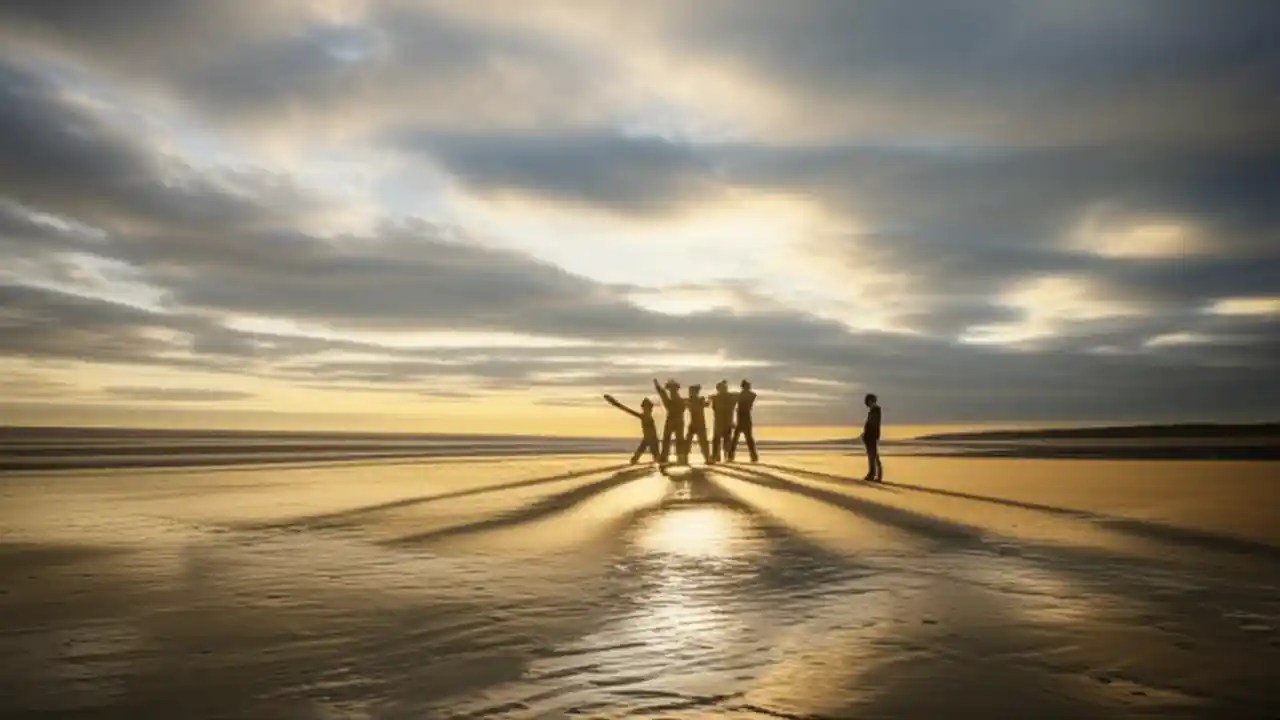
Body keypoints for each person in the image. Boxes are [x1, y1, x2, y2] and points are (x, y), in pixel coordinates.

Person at [603, 394, 661, 465]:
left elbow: (629, 411)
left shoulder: (645, 416)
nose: (647, 410)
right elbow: (629, 410)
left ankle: (637, 460)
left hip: (650, 437)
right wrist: (615, 403)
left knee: (646, 450)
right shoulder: (645, 416)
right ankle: (650, 460)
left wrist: (615, 403)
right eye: (645, 408)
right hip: (650, 437)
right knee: (650, 451)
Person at [653, 378, 687, 464]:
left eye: (672, 388)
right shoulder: (676, 400)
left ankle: (677, 457)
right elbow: (661, 392)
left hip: (675, 420)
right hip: (676, 420)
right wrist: (657, 385)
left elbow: (662, 393)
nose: (672, 390)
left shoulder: (678, 400)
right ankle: (676, 457)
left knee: (673, 439)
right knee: (672, 439)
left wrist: (657, 385)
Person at [729, 379, 758, 462]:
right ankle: (753, 456)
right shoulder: (744, 395)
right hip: (743, 419)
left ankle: (731, 456)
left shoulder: (744, 395)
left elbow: (749, 396)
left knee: (740, 439)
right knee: (744, 439)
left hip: (744, 418)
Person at [709, 379, 737, 463]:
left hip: (725, 422)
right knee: (719, 440)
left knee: (725, 440)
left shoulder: (725, 397)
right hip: (720, 422)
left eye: (724, 388)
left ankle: (726, 456)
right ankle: (718, 456)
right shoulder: (719, 397)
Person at [683, 384, 711, 464]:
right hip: (696, 423)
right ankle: (685, 458)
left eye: (691, 391)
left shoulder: (697, 400)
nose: (690, 393)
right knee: (690, 441)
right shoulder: (694, 400)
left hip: (699, 424)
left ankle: (707, 458)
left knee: (702, 442)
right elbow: (707, 404)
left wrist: (708, 399)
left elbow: (707, 404)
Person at [860, 393, 883, 481]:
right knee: (873, 456)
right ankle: (875, 474)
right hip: (870, 436)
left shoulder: (876, 410)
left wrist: (867, 434)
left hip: (871, 436)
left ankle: (873, 474)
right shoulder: (873, 410)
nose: (868, 403)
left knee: (872, 456)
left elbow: (872, 424)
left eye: (870, 401)